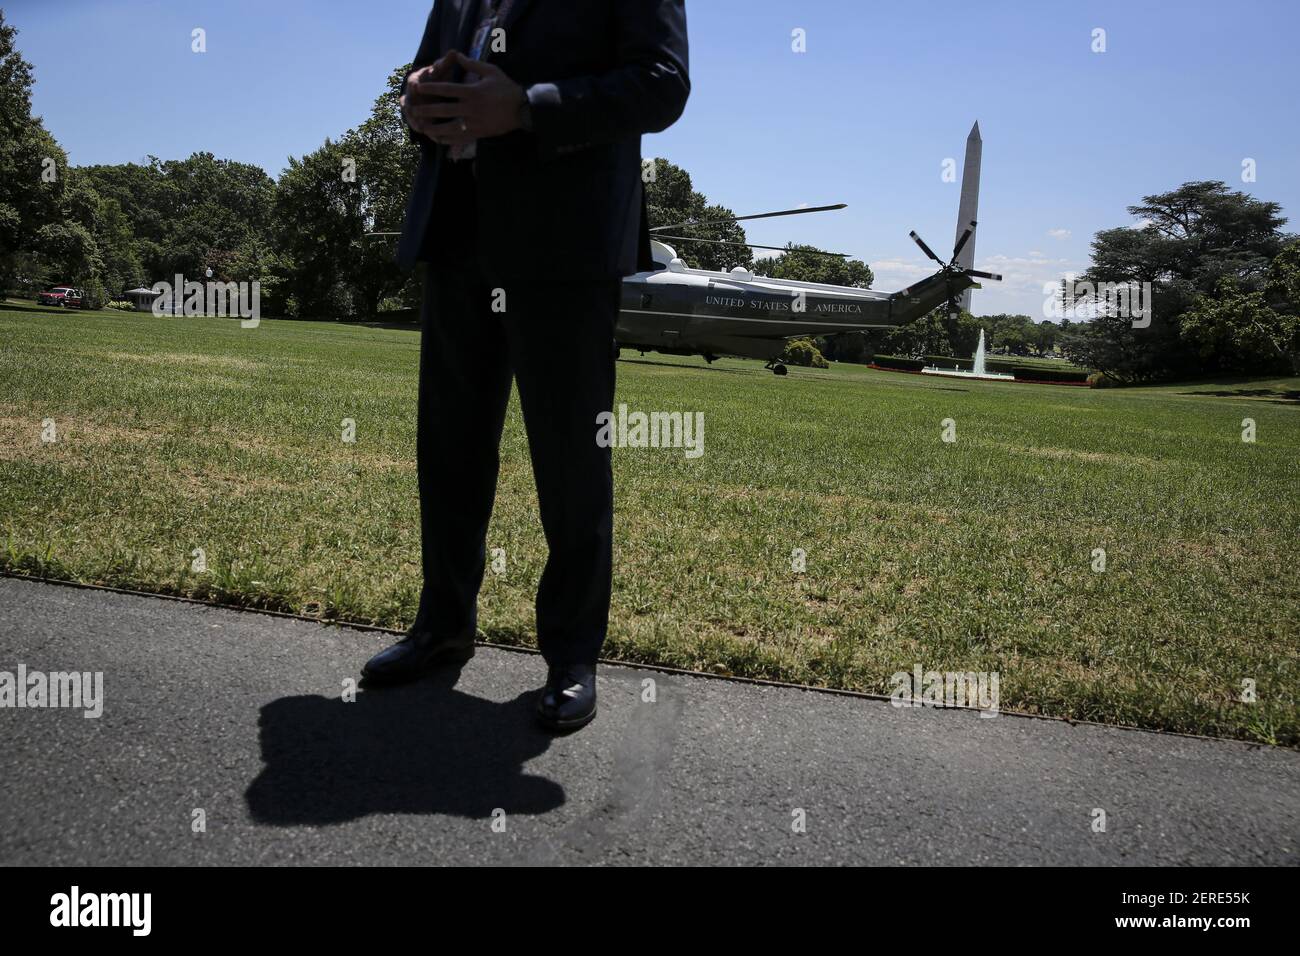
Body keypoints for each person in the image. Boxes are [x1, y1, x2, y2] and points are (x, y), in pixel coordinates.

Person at [361, 0, 690, 733]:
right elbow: (420, 76)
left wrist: (527, 108)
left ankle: (572, 658)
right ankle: (442, 627)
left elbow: (662, 83)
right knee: (449, 451)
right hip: (457, 230)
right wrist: (416, 99)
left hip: (566, 242)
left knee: (571, 460)